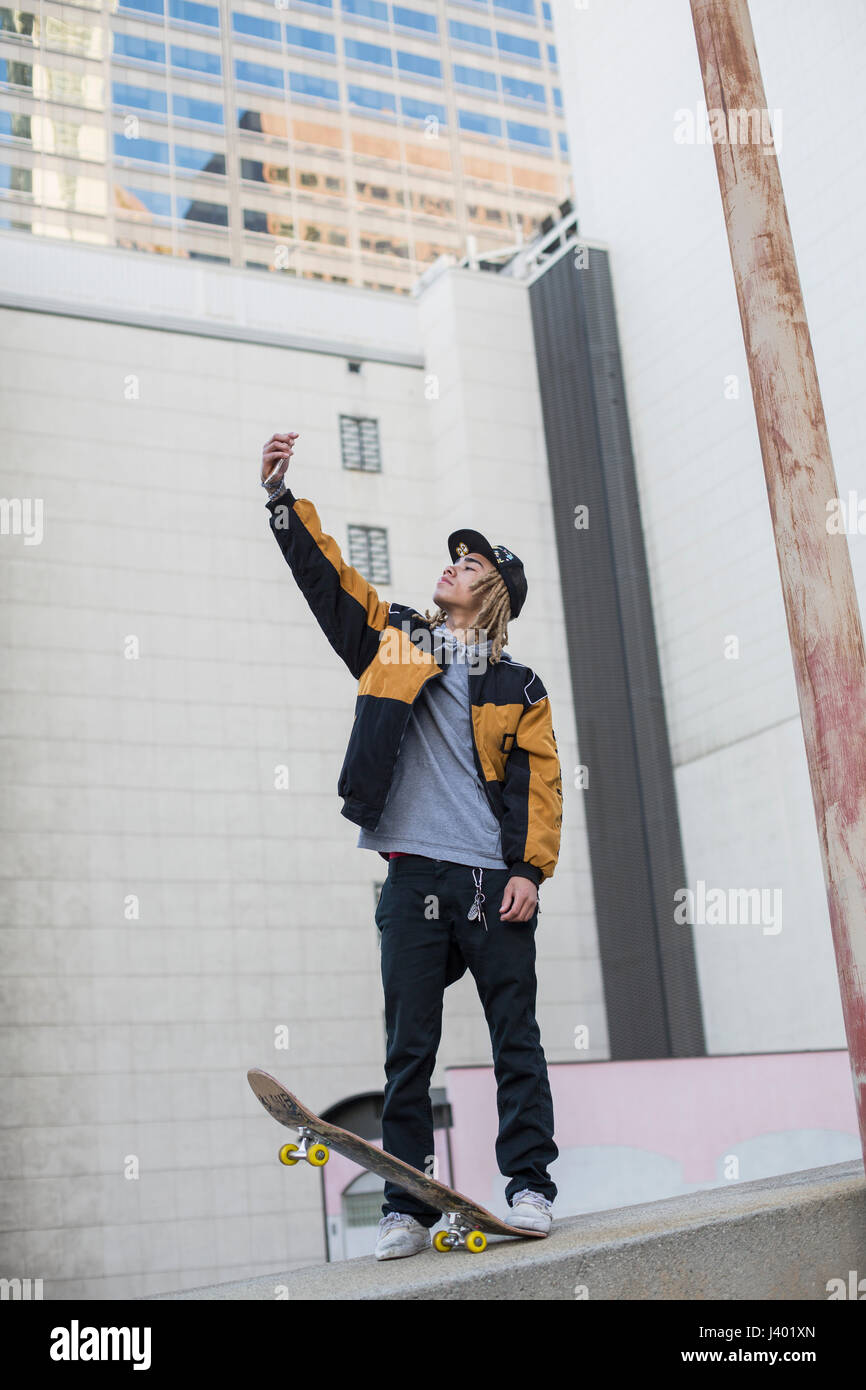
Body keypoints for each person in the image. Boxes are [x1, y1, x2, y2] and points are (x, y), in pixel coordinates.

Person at [260, 431, 563, 1260]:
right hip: (413, 875)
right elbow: (331, 585)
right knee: (410, 1047)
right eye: (452, 559)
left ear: (496, 595)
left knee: (516, 1038)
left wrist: (530, 872)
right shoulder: (396, 639)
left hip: (489, 882)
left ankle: (529, 1186)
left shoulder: (519, 684)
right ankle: (406, 1205)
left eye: (470, 566)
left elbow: (541, 785)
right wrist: (285, 505)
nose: (452, 567)